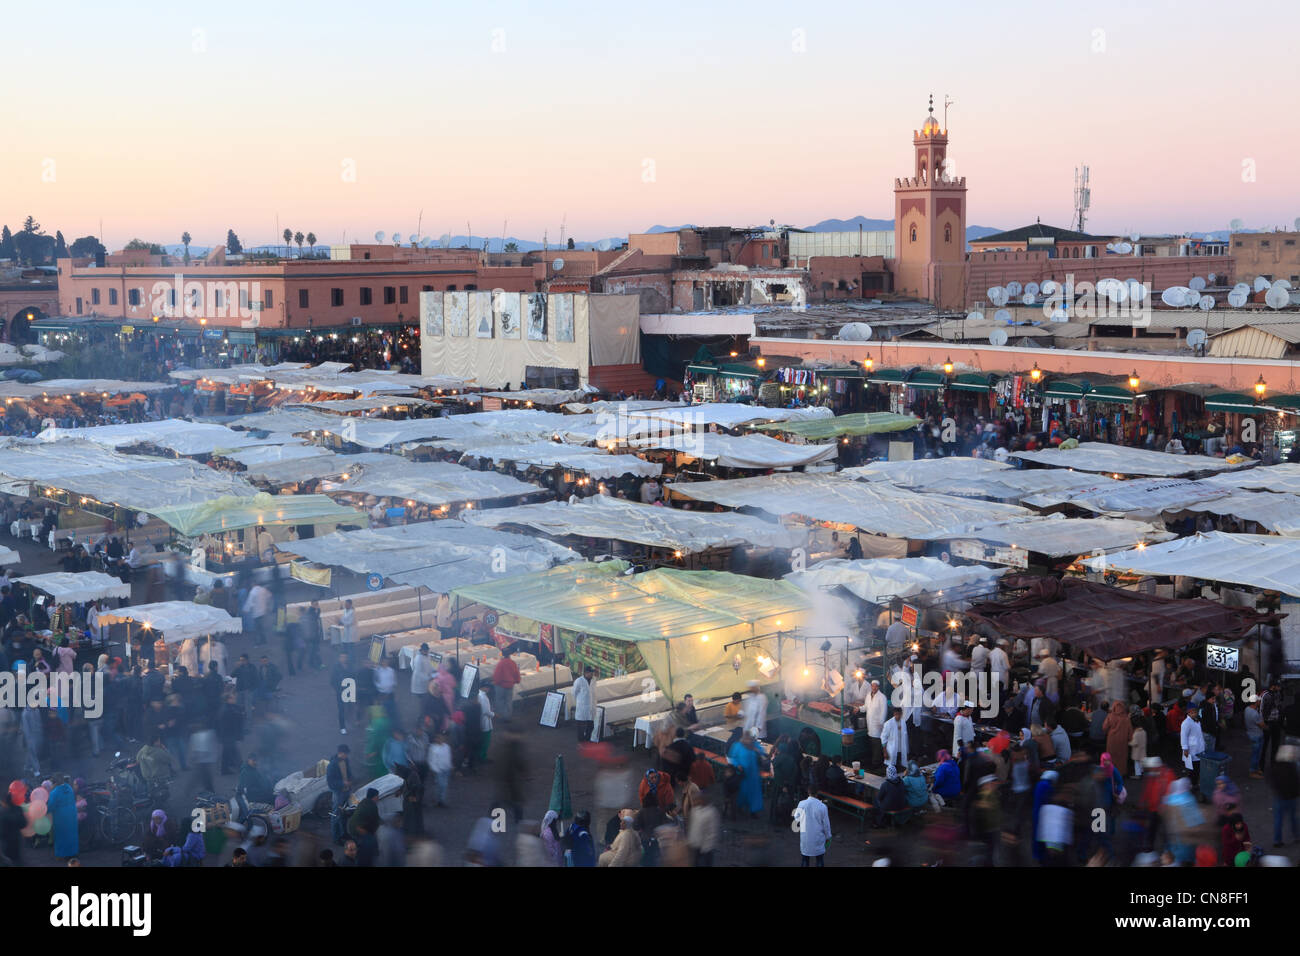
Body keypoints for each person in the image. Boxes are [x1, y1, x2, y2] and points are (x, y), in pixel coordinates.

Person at [727, 729, 765, 817]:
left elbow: (762, 752)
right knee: (742, 792)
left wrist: (758, 751)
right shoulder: (737, 746)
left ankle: (753, 811)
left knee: (754, 793)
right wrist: (737, 765)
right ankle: (740, 807)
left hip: (753, 774)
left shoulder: (755, 745)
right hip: (742, 774)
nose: (749, 741)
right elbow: (732, 758)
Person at [795, 786, 832, 866]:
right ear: (817, 793)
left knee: (805, 860)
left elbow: (796, 818)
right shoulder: (822, 807)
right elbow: (826, 825)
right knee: (819, 860)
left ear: (808, 792)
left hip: (805, 837)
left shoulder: (801, 803)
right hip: (818, 838)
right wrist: (828, 837)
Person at [1272, 743, 1300, 848]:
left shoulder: (1276, 766)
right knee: (1293, 818)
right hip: (1291, 797)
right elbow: (1297, 781)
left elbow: (1271, 779)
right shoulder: (1293, 767)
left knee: (1278, 819)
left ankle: (1277, 840)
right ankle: (1296, 836)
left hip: (1279, 796)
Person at [686, 787, 720, 866]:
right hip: (694, 844)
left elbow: (712, 832)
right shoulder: (694, 810)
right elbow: (692, 827)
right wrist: (690, 841)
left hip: (706, 847)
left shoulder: (711, 812)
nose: (695, 801)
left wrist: (707, 847)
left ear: (704, 800)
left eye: (697, 799)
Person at [326, 744, 353, 845]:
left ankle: (344, 833)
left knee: (344, 814)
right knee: (336, 816)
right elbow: (330, 783)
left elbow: (348, 772)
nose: (347, 756)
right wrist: (343, 783)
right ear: (340, 753)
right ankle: (336, 838)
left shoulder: (345, 760)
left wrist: (350, 780)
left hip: (346, 791)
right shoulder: (332, 765)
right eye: (345, 754)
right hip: (338, 793)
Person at [48, 776, 78, 860]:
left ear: (55, 783)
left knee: (61, 835)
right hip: (72, 813)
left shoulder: (54, 792)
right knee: (72, 833)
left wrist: (45, 810)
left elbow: (51, 806)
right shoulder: (69, 788)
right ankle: (73, 852)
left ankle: (63, 854)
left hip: (61, 816)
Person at [1103, 701, 1133, 776]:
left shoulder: (1110, 716)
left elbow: (1104, 728)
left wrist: (1107, 732)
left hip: (1111, 740)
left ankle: (1110, 772)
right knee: (1122, 758)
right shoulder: (1126, 718)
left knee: (1111, 757)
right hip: (1123, 741)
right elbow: (1130, 732)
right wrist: (1130, 739)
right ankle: (1121, 773)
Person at [1181, 702, 1206, 791]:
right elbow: (1183, 736)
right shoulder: (1186, 723)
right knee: (1192, 770)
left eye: (1196, 711)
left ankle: (1195, 783)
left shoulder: (1197, 721)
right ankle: (1192, 785)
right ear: (1189, 712)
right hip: (1191, 750)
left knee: (1197, 768)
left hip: (1199, 748)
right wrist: (1185, 748)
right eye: (1193, 712)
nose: (1195, 713)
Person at [863, 680, 887, 767]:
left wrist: (881, 723)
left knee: (877, 744)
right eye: (872, 686)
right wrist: (859, 708)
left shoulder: (882, 697)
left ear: (878, 687)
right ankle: (875, 761)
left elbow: (883, 712)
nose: (874, 687)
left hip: (877, 725)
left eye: (876, 686)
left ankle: (877, 763)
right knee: (872, 743)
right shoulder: (868, 695)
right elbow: (866, 707)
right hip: (870, 723)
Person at [492, 650, 521, 720]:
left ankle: (501, 715)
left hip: (500, 685)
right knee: (508, 701)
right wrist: (517, 680)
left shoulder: (500, 663)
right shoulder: (512, 663)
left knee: (500, 700)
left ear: (502, 655)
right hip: (510, 685)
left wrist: (495, 682)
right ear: (509, 655)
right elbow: (516, 673)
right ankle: (508, 716)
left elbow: (497, 675)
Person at [330, 652, 354, 735]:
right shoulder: (336, 667)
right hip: (340, 692)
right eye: (342, 657)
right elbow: (332, 680)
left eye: (345, 657)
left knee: (350, 708)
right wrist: (337, 690)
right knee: (341, 710)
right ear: (339, 658)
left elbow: (353, 676)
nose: (343, 659)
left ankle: (348, 722)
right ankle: (342, 727)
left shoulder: (350, 666)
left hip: (350, 690)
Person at [427, 732, 452, 807]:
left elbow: (448, 757)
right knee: (440, 785)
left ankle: (442, 800)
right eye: (438, 738)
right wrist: (435, 769)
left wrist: (450, 766)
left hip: (446, 769)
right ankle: (438, 800)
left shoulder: (447, 747)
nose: (440, 739)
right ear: (436, 739)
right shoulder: (433, 748)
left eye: (442, 738)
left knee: (444, 785)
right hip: (439, 770)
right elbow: (430, 760)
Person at [880, 706, 909, 771]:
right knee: (890, 767)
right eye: (896, 714)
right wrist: (885, 751)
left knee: (901, 767)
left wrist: (907, 750)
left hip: (901, 750)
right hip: (891, 750)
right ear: (894, 714)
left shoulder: (903, 722)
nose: (898, 716)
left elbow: (905, 737)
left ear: (901, 713)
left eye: (899, 714)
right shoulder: (888, 724)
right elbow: (883, 737)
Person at [573, 665, 596, 743]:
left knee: (591, 726)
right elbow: (574, 693)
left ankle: (587, 740)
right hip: (582, 706)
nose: (592, 674)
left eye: (592, 673)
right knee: (580, 727)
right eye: (590, 673)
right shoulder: (579, 681)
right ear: (586, 673)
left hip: (591, 706)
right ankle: (581, 742)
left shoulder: (594, 680)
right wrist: (580, 701)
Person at [1244, 698, 1267, 778]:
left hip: (1251, 734)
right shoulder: (1255, 714)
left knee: (1255, 754)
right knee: (1256, 755)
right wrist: (1266, 727)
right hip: (1257, 735)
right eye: (1259, 701)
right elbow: (1262, 725)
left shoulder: (1247, 709)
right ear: (1256, 702)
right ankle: (1252, 772)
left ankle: (1255, 769)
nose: (1260, 702)